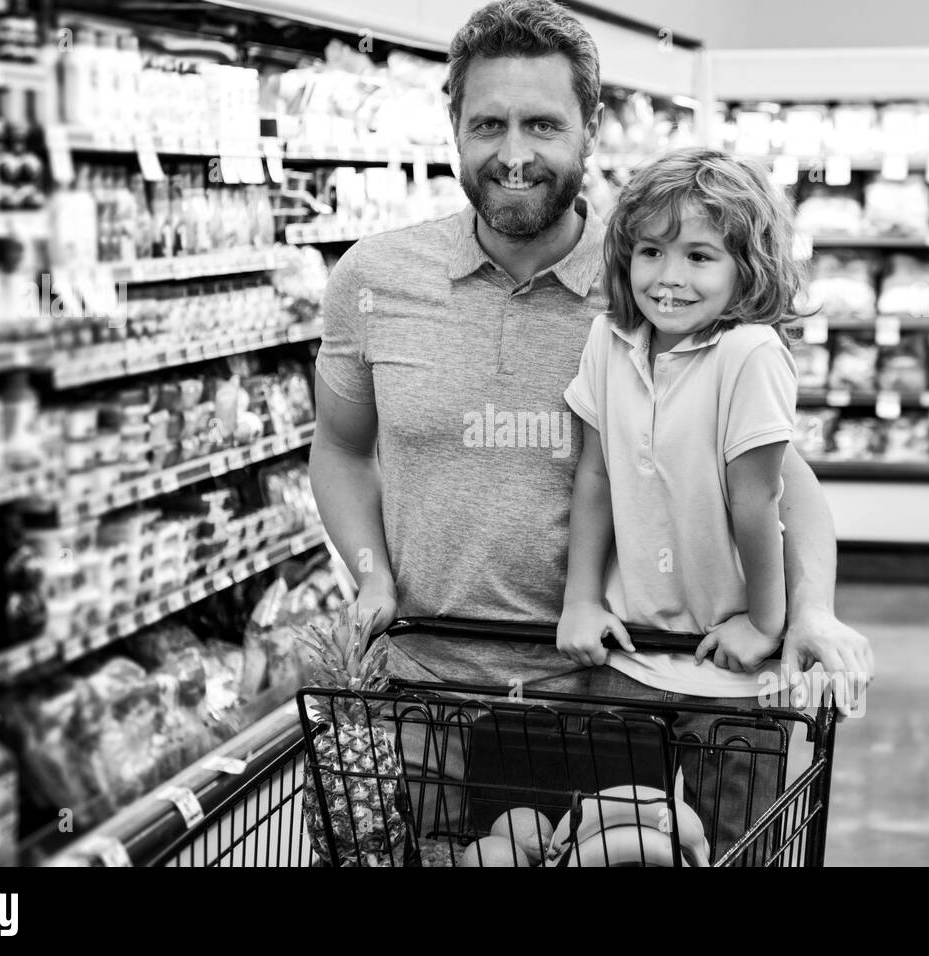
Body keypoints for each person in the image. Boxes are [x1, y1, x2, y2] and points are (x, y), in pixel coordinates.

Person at [309, 0, 873, 846]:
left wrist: (812, 611)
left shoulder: (654, 279)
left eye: (543, 123)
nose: (514, 155)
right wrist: (373, 578)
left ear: (590, 127)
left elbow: (781, 484)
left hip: (630, 683)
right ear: (453, 126)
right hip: (431, 682)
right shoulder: (374, 277)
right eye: (488, 124)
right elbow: (342, 449)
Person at [558, 146, 815, 858]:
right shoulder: (607, 340)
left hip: (728, 678)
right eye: (650, 251)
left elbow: (759, 501)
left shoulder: (749, 353)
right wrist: (582, 599)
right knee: (616, 851)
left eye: (700, 256)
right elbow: (596, 476)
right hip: (633, 660)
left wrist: (763, 622)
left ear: (746, 269)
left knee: (732, 849)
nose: (668, 278)